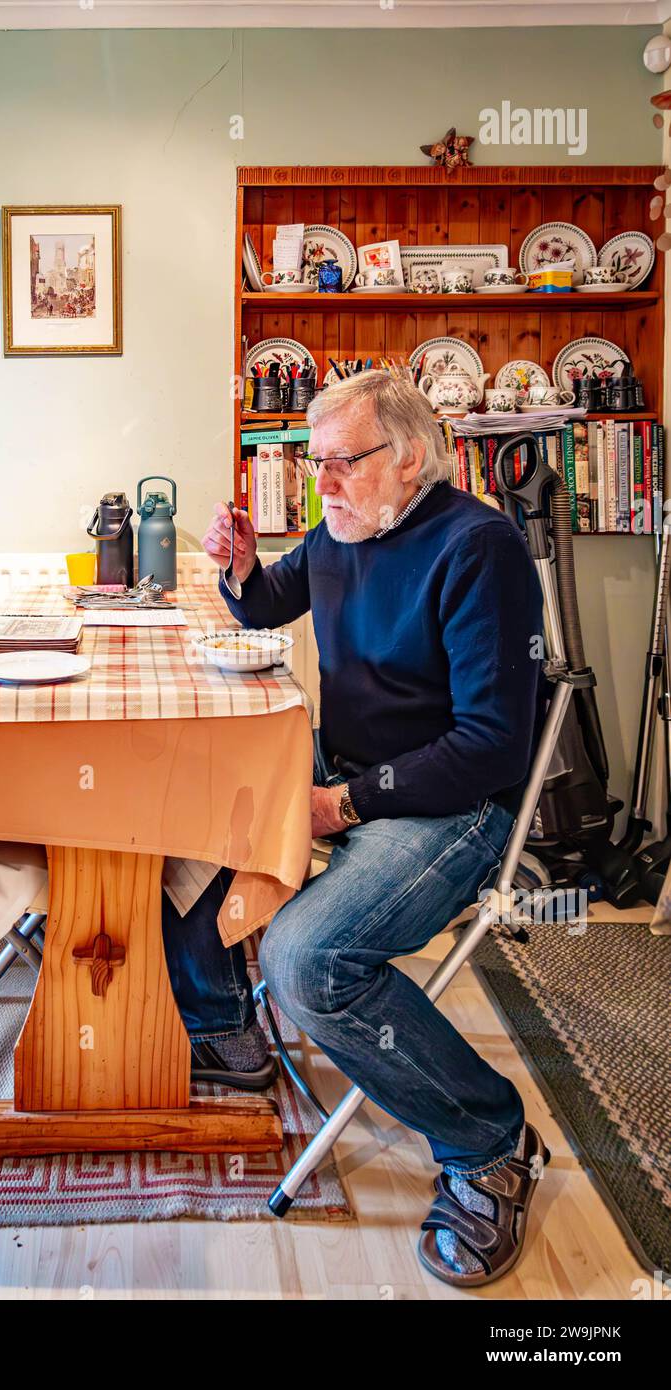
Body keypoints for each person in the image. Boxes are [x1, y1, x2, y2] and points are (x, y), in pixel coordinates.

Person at [161, 369, 550, 1286]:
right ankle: (224, 1026)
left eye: (340, 463)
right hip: (353, 778)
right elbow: (265, 604)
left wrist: (345, 803)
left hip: (452, 809)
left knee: (306, 961)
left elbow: (493, 748)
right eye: (314, 462)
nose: (319, 483)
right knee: (180, 802)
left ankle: (490, 1142)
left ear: (410, 457)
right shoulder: (344, 531)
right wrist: (243, 563)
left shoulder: (477, 547)